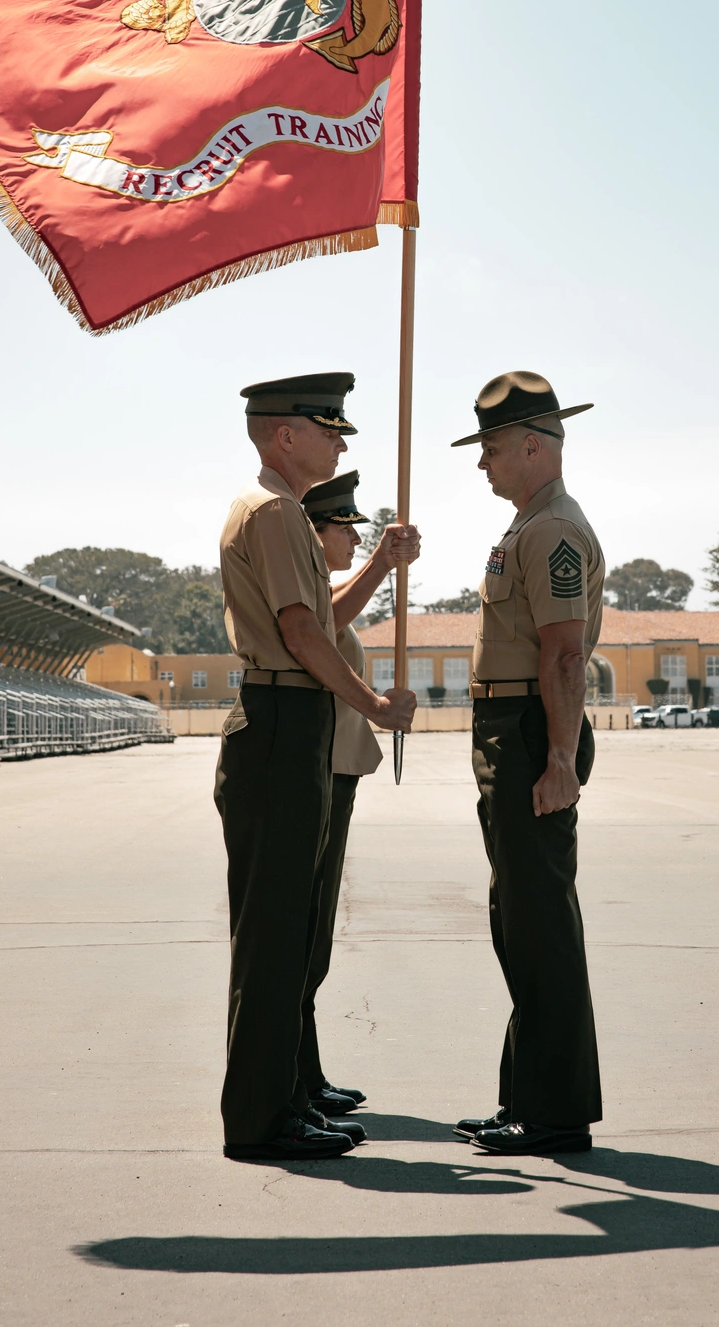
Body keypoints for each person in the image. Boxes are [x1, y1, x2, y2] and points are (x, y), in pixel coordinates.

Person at [215, 372, 417, 1162]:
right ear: (283, 435)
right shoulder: (272, 513)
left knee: (290, 932)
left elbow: (315, 618)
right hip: (281, 720)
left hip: (287, 722)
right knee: (275, 937)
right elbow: (302, 632)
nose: (340, 440)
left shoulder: (280, 512)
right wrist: (371, 704)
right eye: (328, 428)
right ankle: (264, 1118)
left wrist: (377, 573)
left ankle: (286, 1100)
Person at [449, 370, 605, 1157]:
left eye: (493, 446)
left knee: (538, 923)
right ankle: (529, 1101)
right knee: (520, 920)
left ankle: (555, 1114)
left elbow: (565, 655)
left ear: (535, 446)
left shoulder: (552, 532)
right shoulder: (529, 525)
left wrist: (558, 758)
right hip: (511, 729)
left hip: (529, 731)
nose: (482, 463)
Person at [299, 470, 422, 1118]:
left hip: (338, 771)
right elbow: (328, 617)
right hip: (319, 771)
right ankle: (298, 1077)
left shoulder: (323, 584)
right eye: (342, 527)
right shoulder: (308, 591)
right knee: (304, 932)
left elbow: (340, 600)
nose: (352, 536)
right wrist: (383, 561)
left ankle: (307, 1073)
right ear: (314, 534)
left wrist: (378, 564)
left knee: (315, 936)